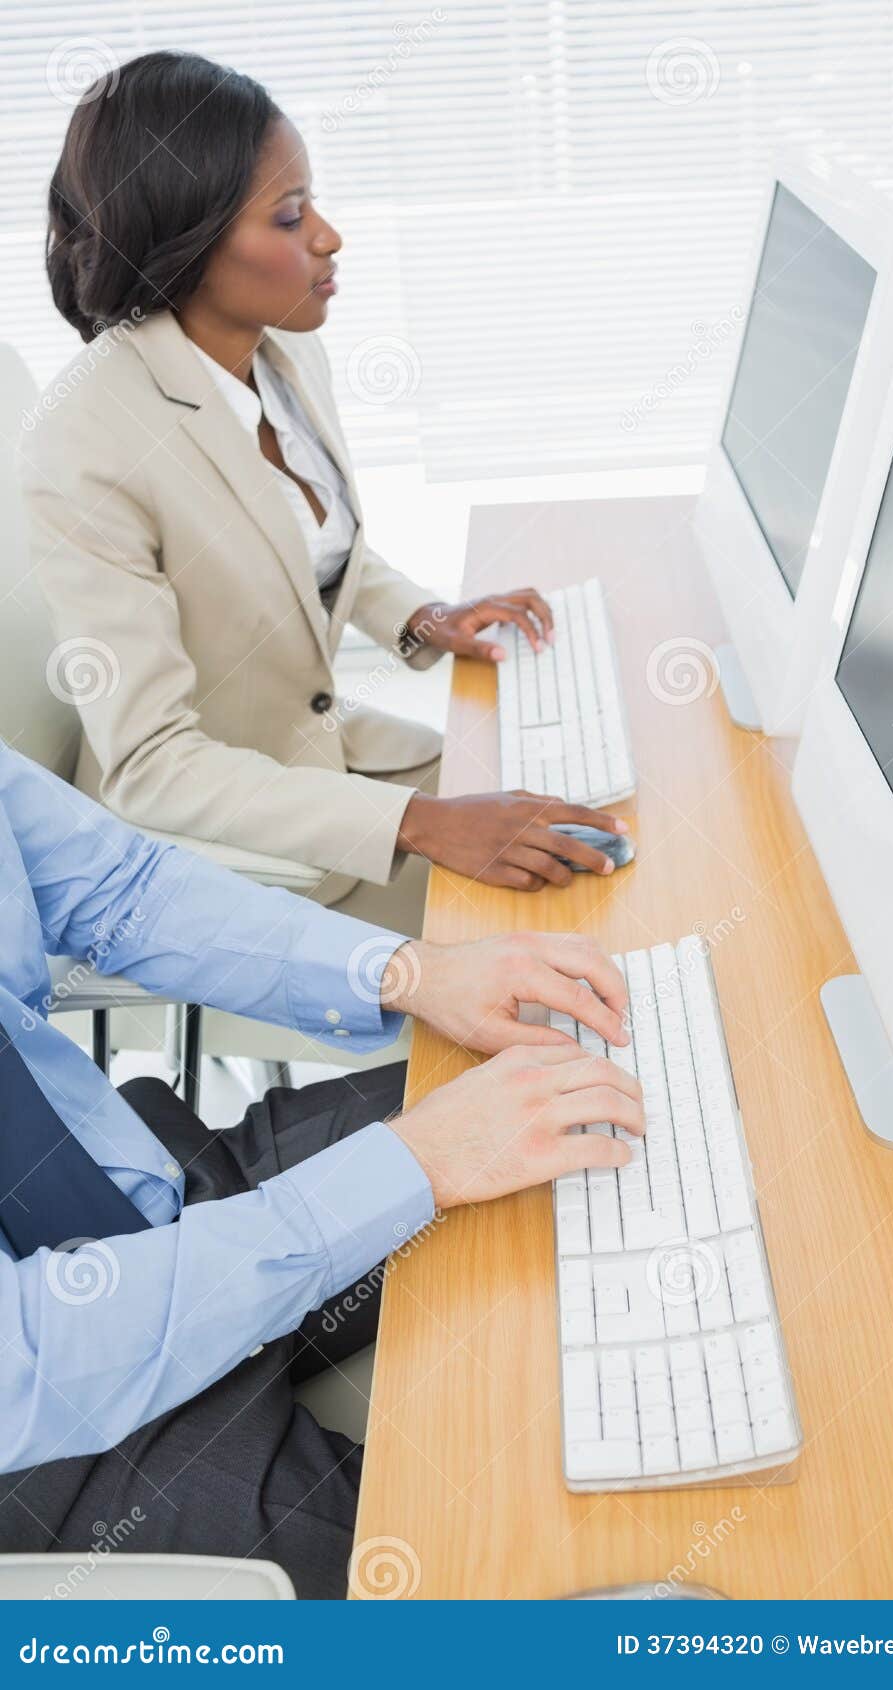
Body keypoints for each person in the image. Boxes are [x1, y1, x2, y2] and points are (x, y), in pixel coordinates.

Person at [0, 744, 643, 1598]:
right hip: (48, 1439)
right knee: (535, 1578)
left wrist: (412, 972)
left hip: (136, 1189)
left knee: (588, 1094)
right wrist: (415, 1163)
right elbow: (28, 1353)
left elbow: (120, 889)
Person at [23, 47, 628, 941]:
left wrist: (422, 617)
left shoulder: (283, 349)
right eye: (291, 215)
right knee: (581, 917)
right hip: (237, 845)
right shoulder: (90, 446)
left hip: (328, 757)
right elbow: (151, 764)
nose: (329, 238)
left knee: (597, 817)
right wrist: (422, 825)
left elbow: (299, 539)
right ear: (184, 244)